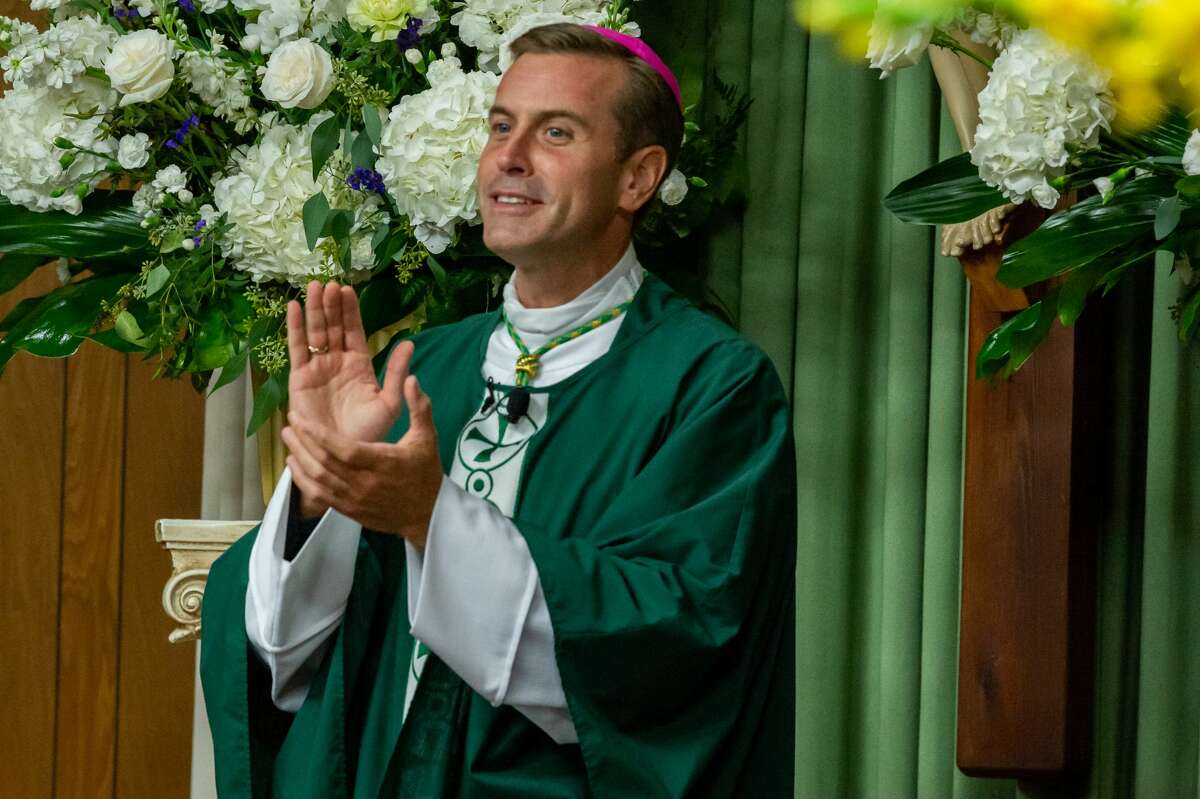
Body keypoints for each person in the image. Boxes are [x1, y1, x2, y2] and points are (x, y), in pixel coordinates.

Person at [200, 23, 796, 798]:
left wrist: (428, 516)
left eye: (556, 132)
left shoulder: (711, 385)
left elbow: (674, 643)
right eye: (500, 126)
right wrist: (321, 493)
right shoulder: (425, 365)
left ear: (638, 178)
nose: (510, 158)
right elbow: (282, 652)